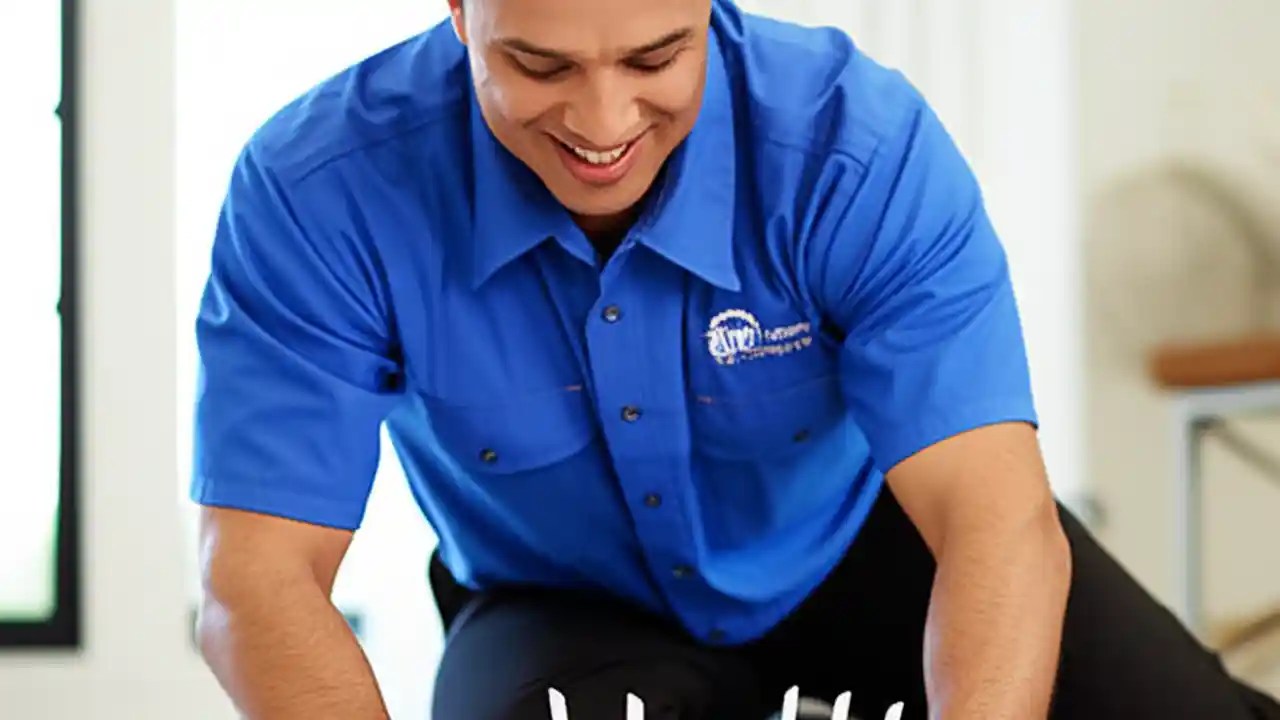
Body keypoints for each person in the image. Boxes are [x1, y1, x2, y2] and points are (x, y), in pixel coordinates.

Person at [188, 0, 1280, 718]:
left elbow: (992, 521)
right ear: (459, 12)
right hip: (560, 603)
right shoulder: (315, 193)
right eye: (538, 64)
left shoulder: (857, 150)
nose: (603, 121)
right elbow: (257, 579)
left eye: (654, 57)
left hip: (873, 549)